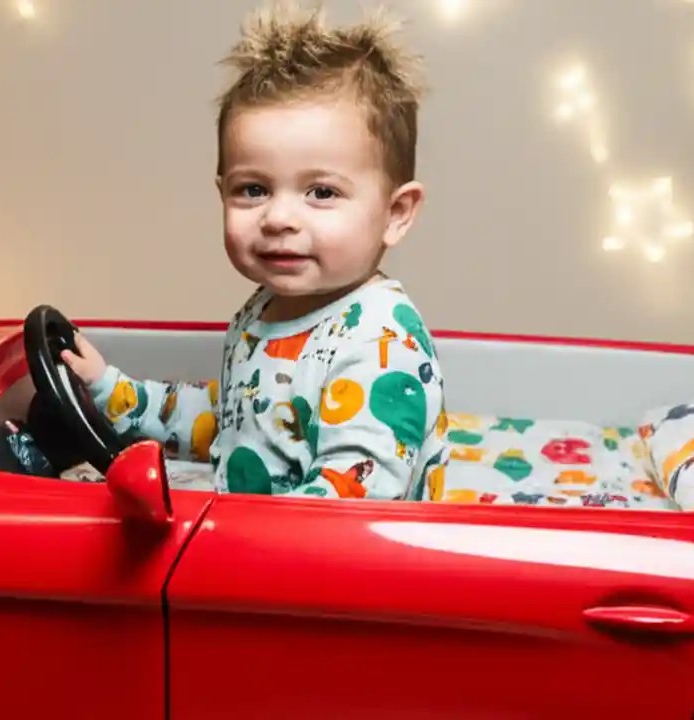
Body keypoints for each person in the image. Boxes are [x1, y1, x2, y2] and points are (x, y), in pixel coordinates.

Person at [62, 1, 449, 500]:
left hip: (346, 571)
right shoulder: (265, 310)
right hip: (262, 553)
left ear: (396, 213)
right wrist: (109, 387)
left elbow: (352, 500)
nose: (278, 217)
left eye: (322, 192)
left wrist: (242, 547)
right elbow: (230, 421)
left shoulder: (380, 344)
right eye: (253, 189)